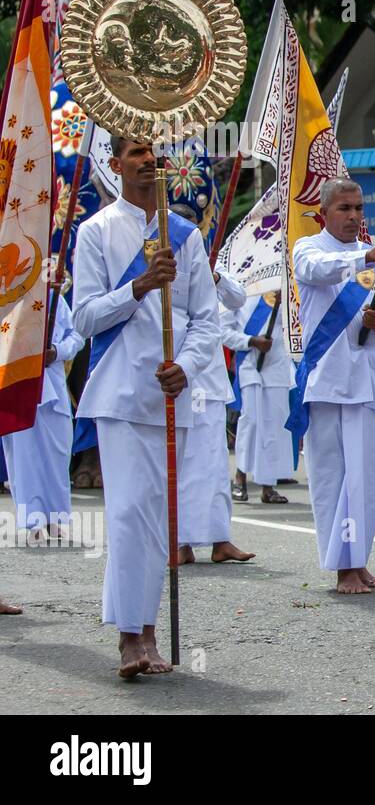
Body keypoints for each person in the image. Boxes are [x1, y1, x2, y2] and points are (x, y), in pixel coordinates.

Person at [72, 136, 221, 676]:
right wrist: (138, 286)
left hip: (170, 392)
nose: (148, 161)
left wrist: (189, 364)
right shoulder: (95, 232)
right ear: (115, 164)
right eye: (136, 152)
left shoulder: (186, 237)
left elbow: (207, 319)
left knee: (156, 519)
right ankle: (133, 636)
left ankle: (144, 630)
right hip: (118, 392)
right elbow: (84, 318)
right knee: (130, 511)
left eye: (156, 152)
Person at [289, 178, 375, 595]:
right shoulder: (309, 249)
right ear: (324, 213)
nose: (354, 216)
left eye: (358, 208)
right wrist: (368, 256)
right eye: (344, 208)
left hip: (371, 379)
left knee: (374, 471)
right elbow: (316, 272)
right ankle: (343, 566)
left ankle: (357, 557)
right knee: (334, 476)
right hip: (329, 380)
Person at [177, 252, 255, 565]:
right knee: (184, 464)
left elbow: (238, 299)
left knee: (215, 463)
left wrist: (217, 279)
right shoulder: (164, 265)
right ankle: (181, 542)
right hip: (180, 379)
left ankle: (220, 540)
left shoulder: (212, 265)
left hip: (210, 382)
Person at [1, 292, 82, 543]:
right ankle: (33, 522)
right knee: (26, 459)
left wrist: (55, 352)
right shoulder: (7, 296)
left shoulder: (53, 296)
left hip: (54, 388)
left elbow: (77, 335)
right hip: (18, 385)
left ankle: (57, 519)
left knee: (58, 455)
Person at [224, 289, 293, 504]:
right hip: (250, 361)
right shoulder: (239, 289)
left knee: (275, 422)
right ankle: (240, 477)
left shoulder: (287, 287)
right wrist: (251, 341)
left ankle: (268, 484)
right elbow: (222, 330)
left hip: (278, 362)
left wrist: (287, 303)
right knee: (251, 420)